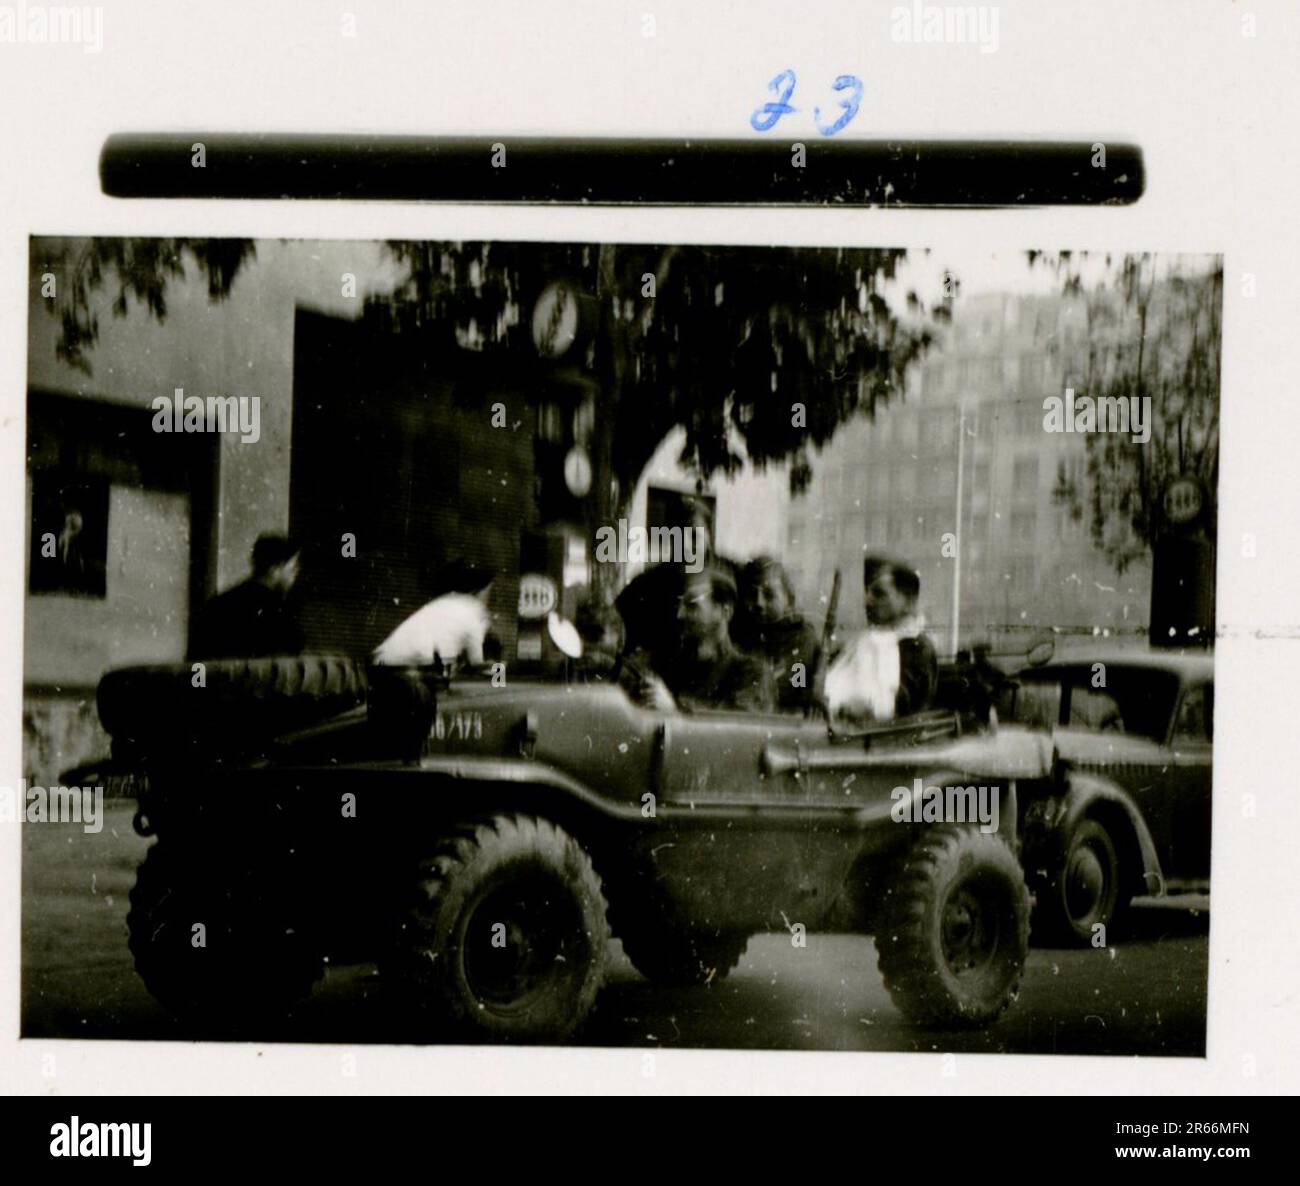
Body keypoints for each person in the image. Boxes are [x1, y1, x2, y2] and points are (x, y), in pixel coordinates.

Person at [627, 565, 776, 713]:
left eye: (692, 606)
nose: (680, 614)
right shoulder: (669, 667)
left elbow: (738, 729)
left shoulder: (752, 673)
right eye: (679, 606)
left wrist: (674, 709)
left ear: (724, 611)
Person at [823, 555, 937, 725]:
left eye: (879, 594)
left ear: (908, 602)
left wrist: (857, 707)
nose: (867, 602)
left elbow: (906, 710)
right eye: (867, 593)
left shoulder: (916, 647)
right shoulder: (860, 642)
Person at [188, 534, 305, 660]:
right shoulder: (279, 611)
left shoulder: (220, 603)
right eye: (292, 568)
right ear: (274, 569)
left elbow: (196, 664)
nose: (295, 574)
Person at [372, 559, 492, 669]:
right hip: (409, 669)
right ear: (479, 591)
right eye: (488, 592)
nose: (488, 598)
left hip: (381, 661)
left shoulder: (443, 602)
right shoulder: (475, 610)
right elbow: (477, 662)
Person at [734, 556, 819, 710]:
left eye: (769, 595)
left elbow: (795, 685)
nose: (759, 603)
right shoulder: (742, 634)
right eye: (752, 595)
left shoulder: (801, 638)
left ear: (788, 600)